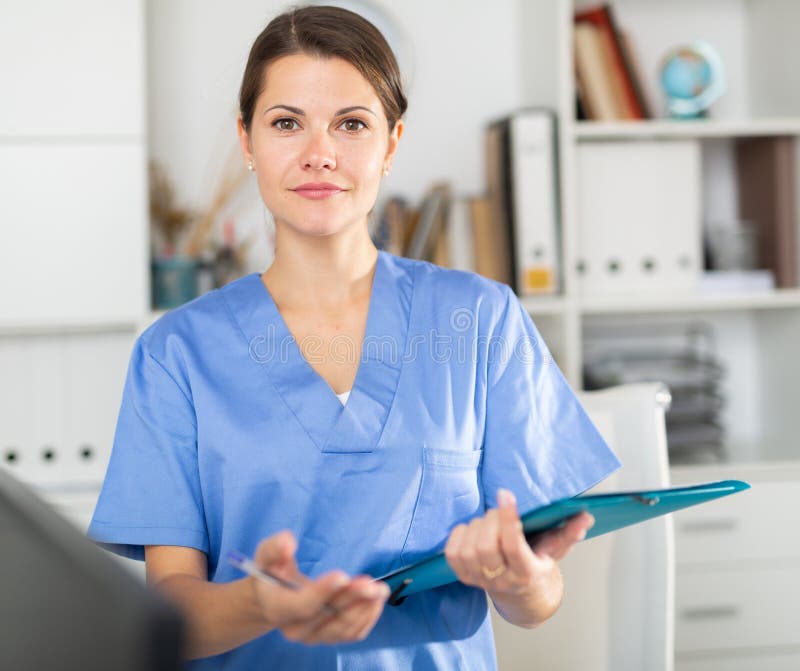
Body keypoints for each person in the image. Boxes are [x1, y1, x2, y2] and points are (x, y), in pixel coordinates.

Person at [88, 5, 621, 669]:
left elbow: (538, 599)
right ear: (247, 141)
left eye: (352, 123)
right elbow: (171, 619)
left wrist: (520, 579)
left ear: (391, 143)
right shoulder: (176, 354)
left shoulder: (482, 321)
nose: (320, 154)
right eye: (287, 123)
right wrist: (262, 602)